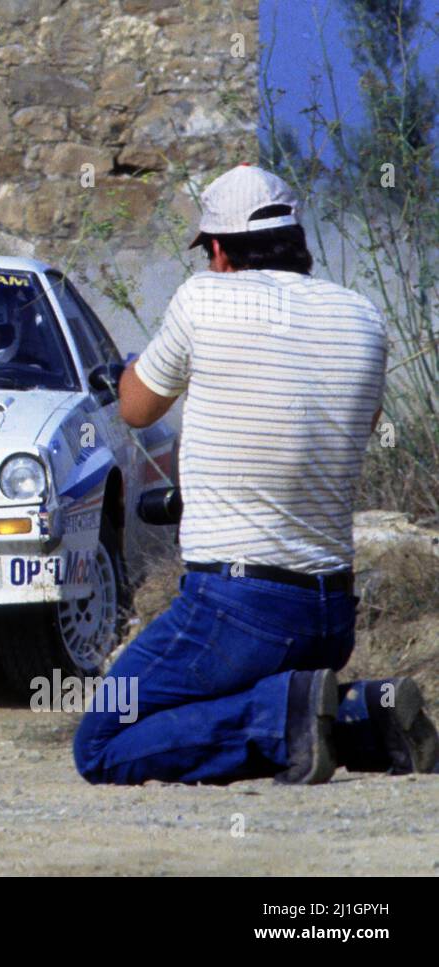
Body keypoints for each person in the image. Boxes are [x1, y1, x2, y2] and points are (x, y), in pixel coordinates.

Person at [73, 163, 437, 785]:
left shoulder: (202, 297)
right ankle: (360, 714)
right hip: (329, 614)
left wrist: (135, 366)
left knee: (104, 739)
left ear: (217, 249)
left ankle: (282, 714)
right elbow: (361, 420)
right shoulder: (363, 317)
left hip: (234, 607)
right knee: (226, 699)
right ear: (297, 242)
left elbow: (136, 408)